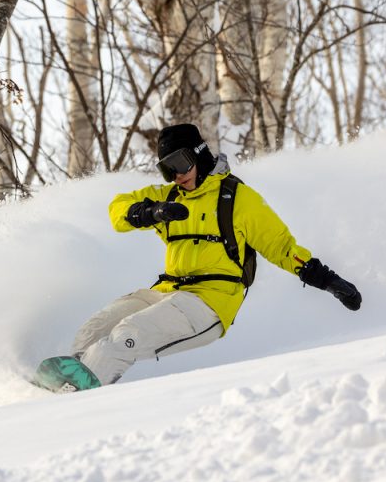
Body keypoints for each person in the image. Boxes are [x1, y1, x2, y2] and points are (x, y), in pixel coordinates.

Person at [39, 123, 361, 392]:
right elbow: (117, 209)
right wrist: (149, 212)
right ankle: (59, 386)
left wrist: (328, 281)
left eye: (179, 164)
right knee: (93, 330)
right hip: (166, 292)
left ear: (199, 154)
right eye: (167, 170)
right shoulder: (168, 197)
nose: (176, 176)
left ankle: (77, 401)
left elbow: (281, 246)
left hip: (209, 302)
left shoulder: (237, 198)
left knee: (127, 334)